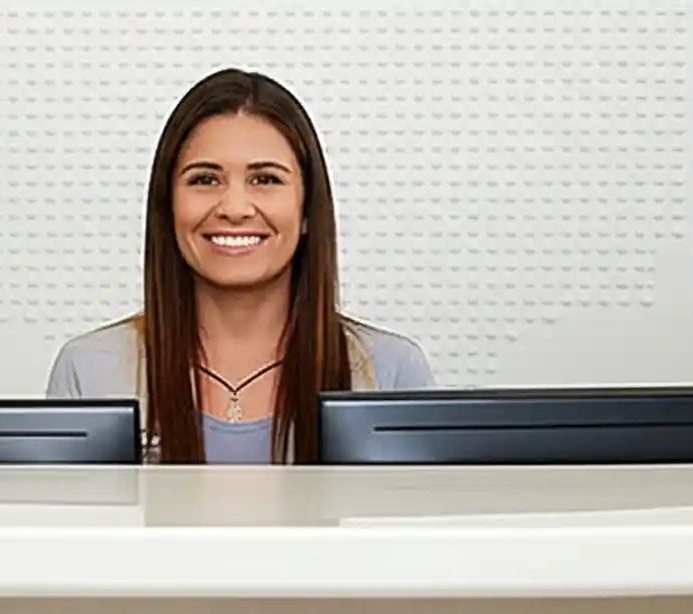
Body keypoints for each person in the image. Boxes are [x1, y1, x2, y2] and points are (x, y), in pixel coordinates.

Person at [46, 67, 434, 464]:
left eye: (265, 179)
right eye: (205, 180)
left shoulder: (389, 372)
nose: (234, 209)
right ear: (167, 207)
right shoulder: (90, 370)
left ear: (306, 211)